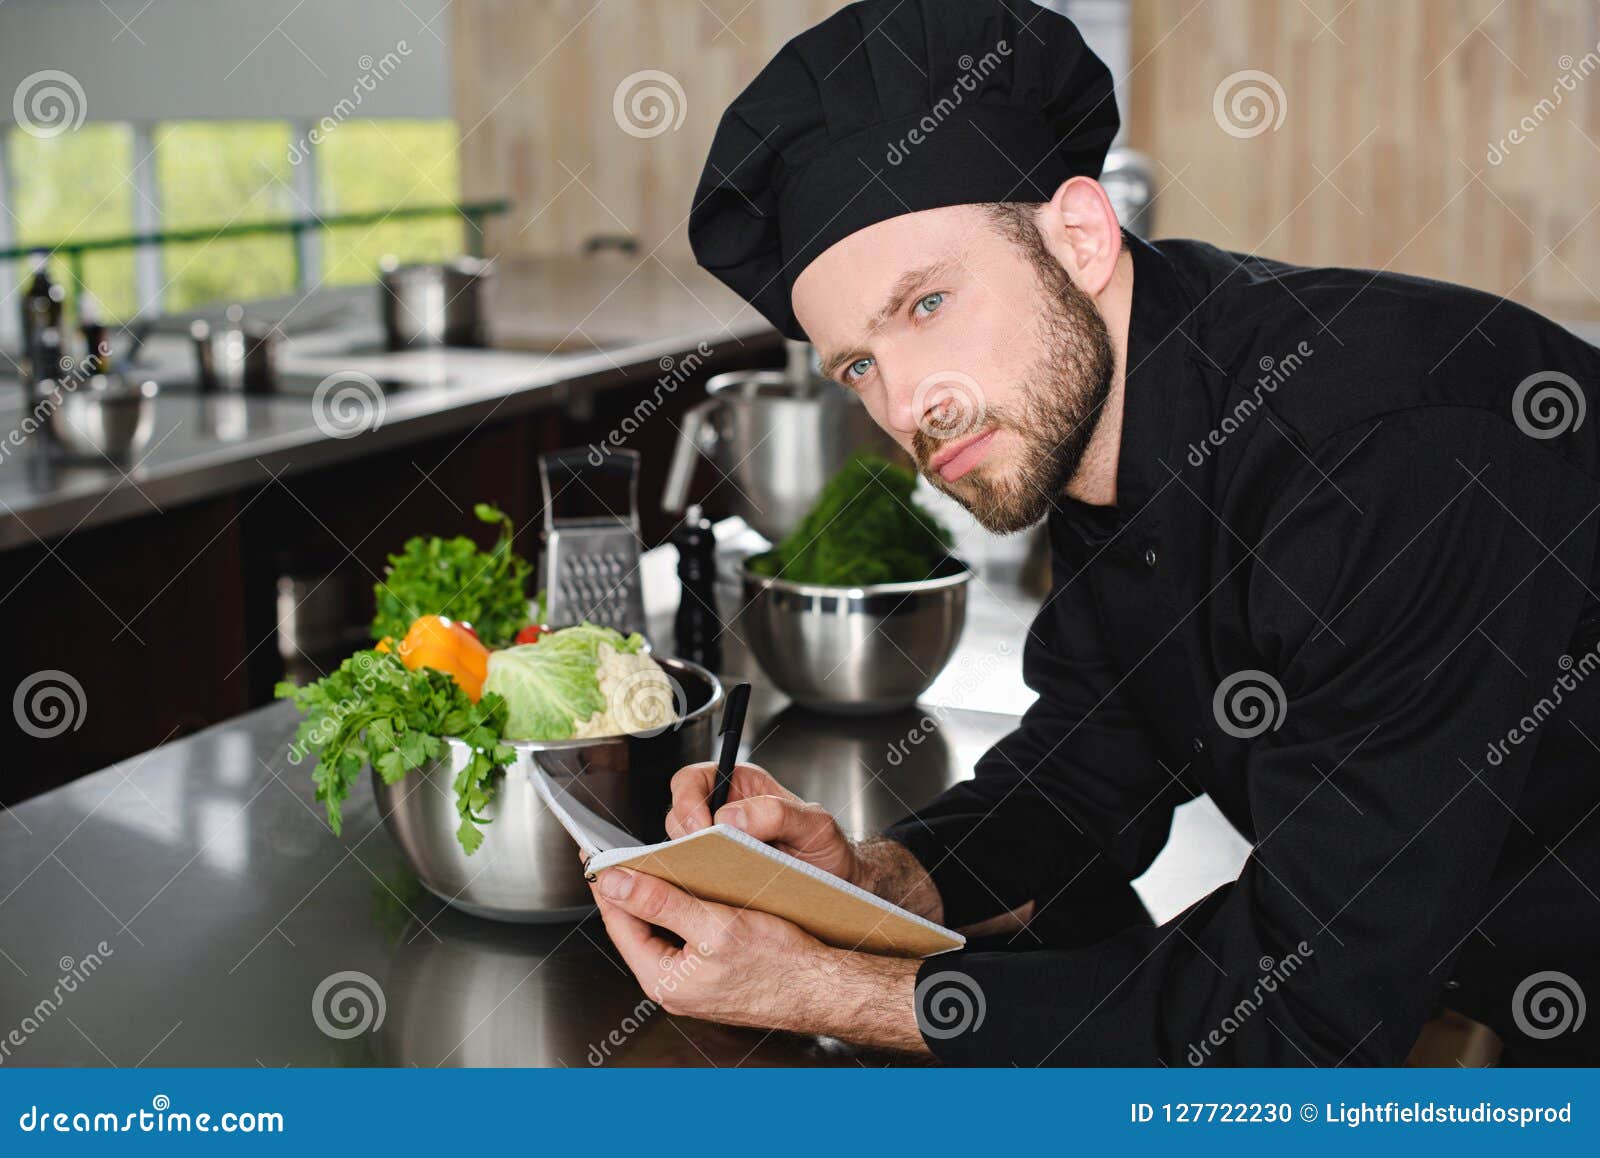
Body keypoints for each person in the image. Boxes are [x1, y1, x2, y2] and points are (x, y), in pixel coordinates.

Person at [589, 0, 1600, 1065]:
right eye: (859, 366)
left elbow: (1305, 1018)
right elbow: (1089, 767)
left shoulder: (1388, 456)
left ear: (1079, 235)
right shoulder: (1098, 414)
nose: (909, 404)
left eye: (927, 305)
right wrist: (866, 884)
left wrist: (828, 988)